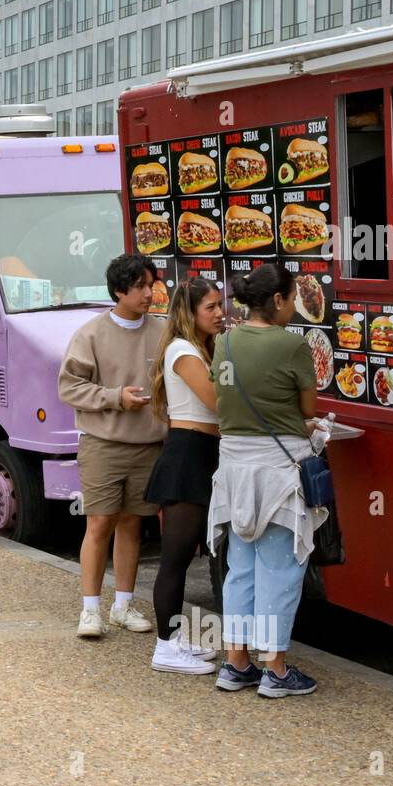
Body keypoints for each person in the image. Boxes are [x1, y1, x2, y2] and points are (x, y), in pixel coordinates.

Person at [208, 263, 327, 698]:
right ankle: (275, 669)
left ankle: (237, 663)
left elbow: (222, 392)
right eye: (293, 299)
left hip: (233, 469)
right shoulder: (290, 345)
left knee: (240, 568)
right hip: (278, 471)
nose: (295, 307)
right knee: (280, 569)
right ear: (277, 300)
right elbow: (307, 408)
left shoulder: (225, 341)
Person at [57, 254, 166, 639]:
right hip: (103, 443)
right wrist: (115, 397)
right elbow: (69, 387)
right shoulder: (91, 334)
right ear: (119, 290)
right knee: (99, 522)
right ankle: (90, 610)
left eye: (151, 284)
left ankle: (122, 606)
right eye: (140, 286)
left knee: (133, 525)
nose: (149, 293)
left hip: (150, 445)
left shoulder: (163, 331)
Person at [145, 278, 225, 674]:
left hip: (204, 452)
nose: (219, 312)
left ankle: (175, 640)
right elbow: (217, 400)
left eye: (220, 305)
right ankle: (164, 647)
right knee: (175, 558)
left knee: (189, 555)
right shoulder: (182, 349)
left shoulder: (201, 348)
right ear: (190, 312)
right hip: (187, 454)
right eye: (210, 307)